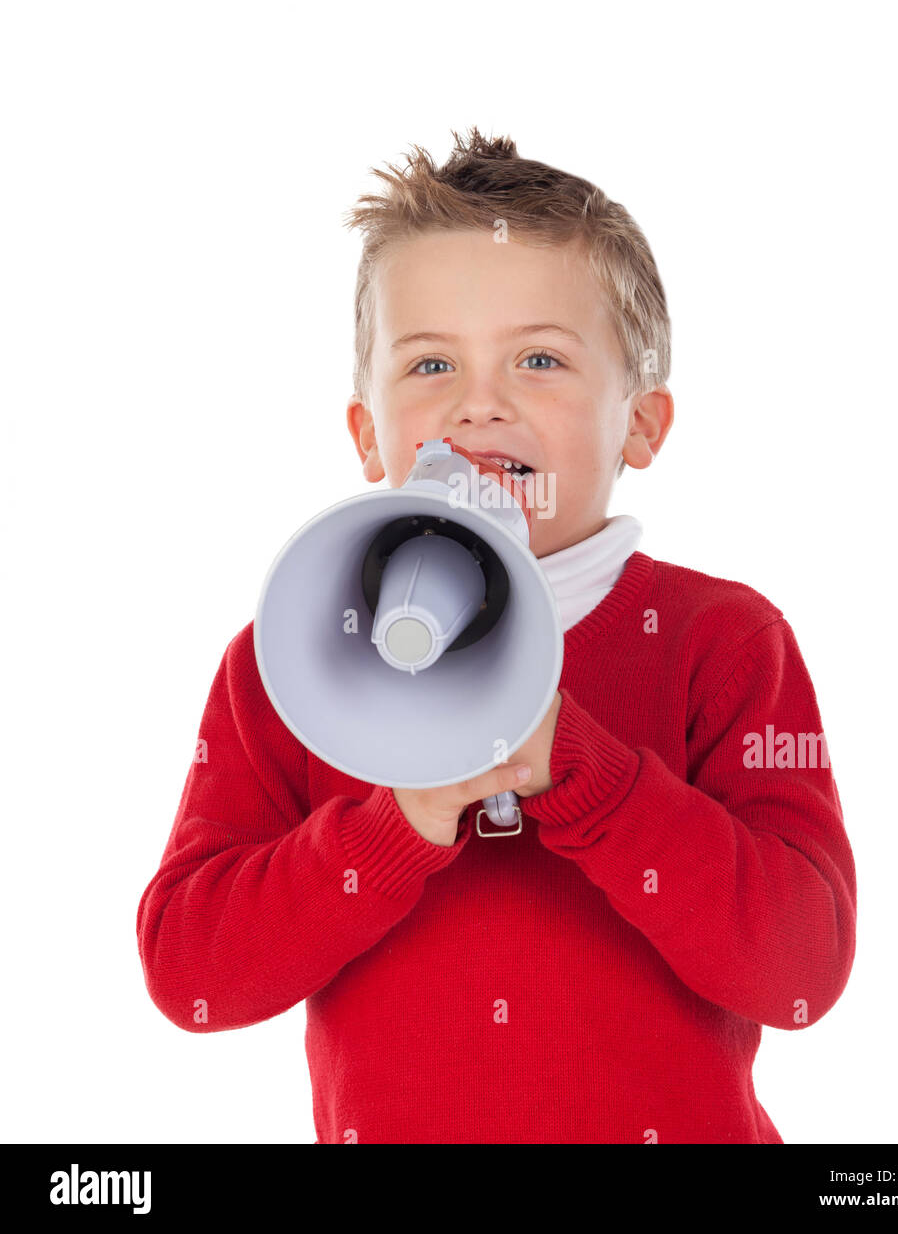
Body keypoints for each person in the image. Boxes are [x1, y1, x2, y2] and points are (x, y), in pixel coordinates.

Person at [136, 127, 856, 1143]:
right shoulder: (289, 656)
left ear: (640, 425)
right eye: (430, 361)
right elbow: (190, 969)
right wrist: (394, 827)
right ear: (366, 434)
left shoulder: (719, 639)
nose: (479, 402)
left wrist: (590, 776)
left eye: (538, 358)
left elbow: (799, 970)